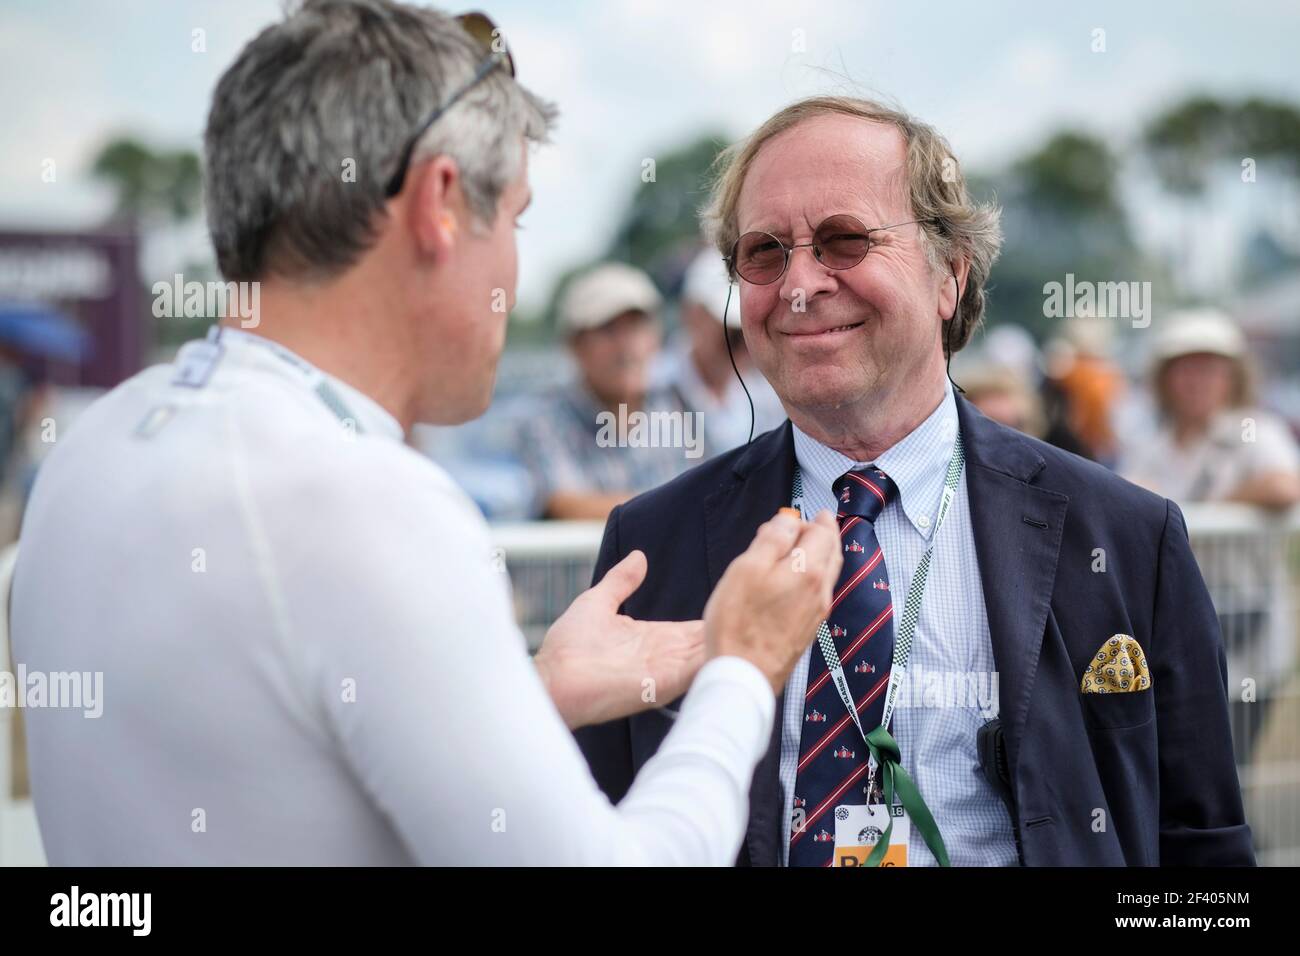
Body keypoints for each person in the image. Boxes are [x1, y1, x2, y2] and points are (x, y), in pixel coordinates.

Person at [10, 0, 843, 865]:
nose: (516, 274)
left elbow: (265, 759)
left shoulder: (98, 443)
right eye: (515, 219)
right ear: (441, 203)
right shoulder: (364, 498)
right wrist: (743, 670)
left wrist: (530, 696)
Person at [577, 96, 1254, 866]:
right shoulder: (651, 546)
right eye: (765, 252)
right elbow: (595, 833)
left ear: (949, 278)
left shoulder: (1127, 538)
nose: (800, 284)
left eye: (844, 240)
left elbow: (1206, 858)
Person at [1120, 307, 1300, 759]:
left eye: (1209, 368)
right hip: (1173, 639)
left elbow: (1283, 485)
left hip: (1249, 637)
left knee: (1233, 772)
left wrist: (1186, 520)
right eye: (1185, 368)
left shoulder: (1256, 432)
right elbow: (1124, 510)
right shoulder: (1149, 447)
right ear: (1165, 378)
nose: (1196, 380)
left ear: (1232, 376)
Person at [518, 262, 695, 520]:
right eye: (608, 330)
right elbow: (564, 505)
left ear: (656, 338)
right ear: (575, 345)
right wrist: (678, 508)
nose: (626, 346)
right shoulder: (545, 420)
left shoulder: (676, 405)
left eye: (636, 327)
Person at [658, 247, 786, 457]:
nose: (741, 339)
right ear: (692, 315)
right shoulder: (652, 389)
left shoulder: (767, 394)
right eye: (732, 328)